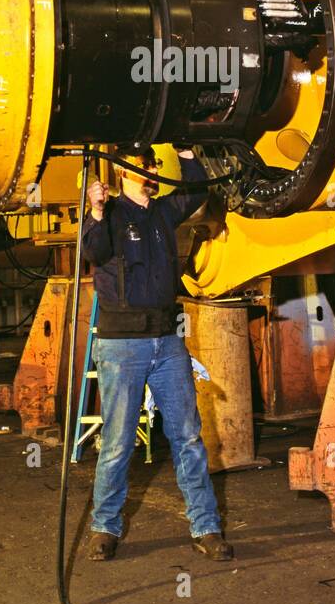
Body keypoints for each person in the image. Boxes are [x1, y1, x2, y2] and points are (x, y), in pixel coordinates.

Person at [80, 146, 233, 563]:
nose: (149, 172)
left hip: (167, 342)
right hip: (121, 345)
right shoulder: (108, 215)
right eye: (142, 167)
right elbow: (92, 253)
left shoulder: (165, 212)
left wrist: (186, 151)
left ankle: (206, 528)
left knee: (187, 438)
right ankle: (104, 527)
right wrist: (94, 210)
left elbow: (197, 189)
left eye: (151, 165)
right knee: (117, 442)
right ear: (122, 172)